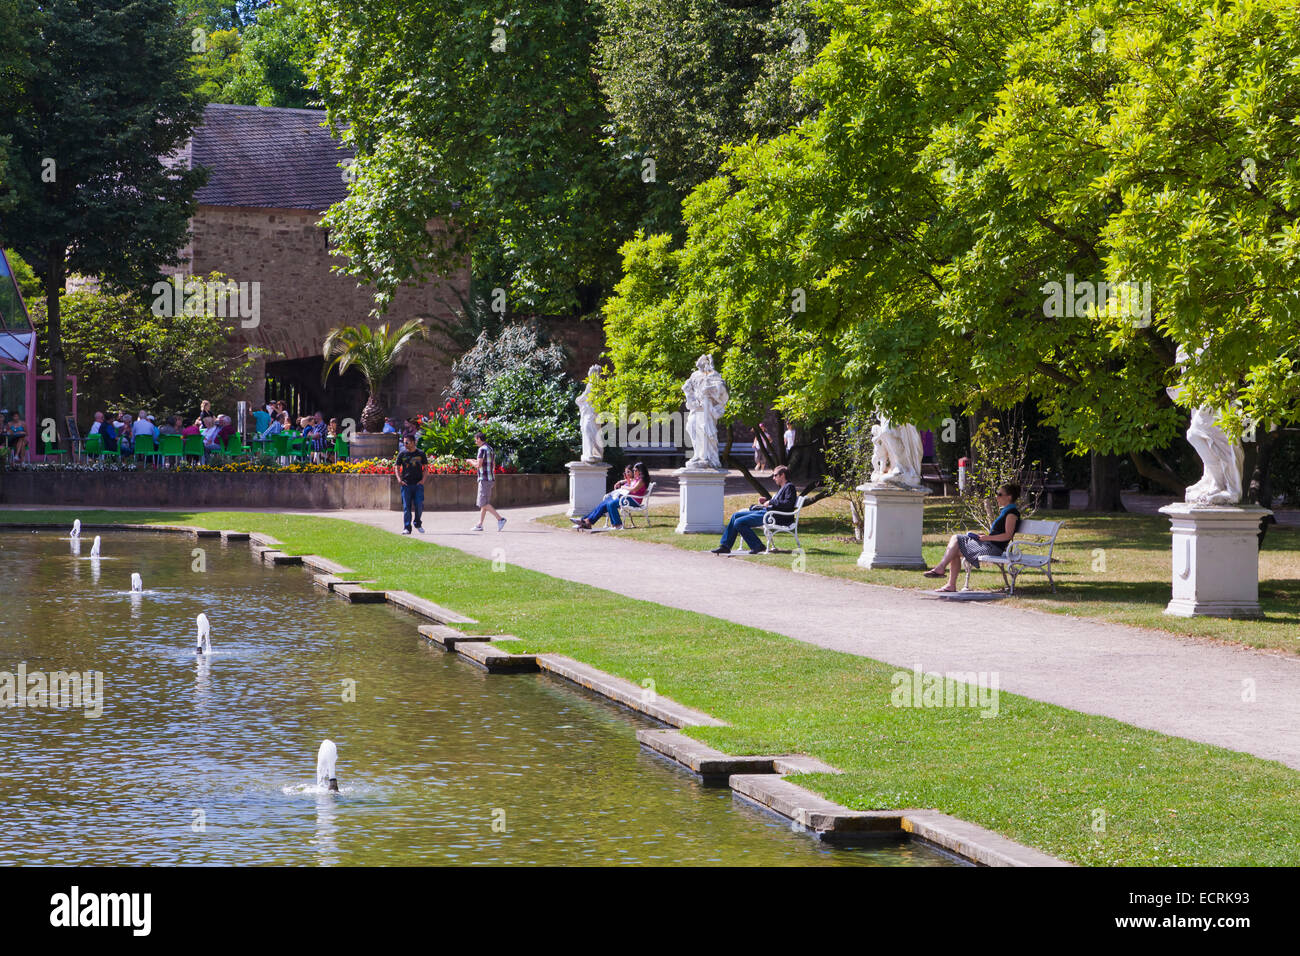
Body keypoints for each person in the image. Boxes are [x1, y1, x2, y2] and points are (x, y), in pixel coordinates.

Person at [924, 483, 1022, 592]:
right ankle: (949, 584)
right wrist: (985, 537)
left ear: (1009, 497)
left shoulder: (1011, 514)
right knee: (955, 546)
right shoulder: (1006, 511)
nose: (996, 497)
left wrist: (987, 538)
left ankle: (941, 570)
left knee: (956, 539)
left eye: (999, 494)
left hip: (994, 549)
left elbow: (1007, 535)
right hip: (989, 544)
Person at [711, 465, 797, 555]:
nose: (773, 478)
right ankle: (725, 546)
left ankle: (757, 546)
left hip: (775, 517)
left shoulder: (789, 487)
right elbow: (779, 502)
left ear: (782, 475)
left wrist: (771, 501)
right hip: (769, 513)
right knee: (735, 516)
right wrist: (766, 501)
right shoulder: (783, 488)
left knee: (739, 522)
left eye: (775, 475)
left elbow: (788, 504)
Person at [572, 462, 649, 531]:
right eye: (634, 470)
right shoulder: (636, 479)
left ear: (640, 471)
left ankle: (617, 525)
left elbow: (634, 490)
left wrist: (623, 487)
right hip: (628, 498)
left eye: (636, 470)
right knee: (604, 503)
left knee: (610, 504)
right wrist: (621, 482)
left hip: (633, 500)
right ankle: (585, 521)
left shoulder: (642, 480)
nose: (634, 472)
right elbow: (629, 481)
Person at [469, 431, 506, 532]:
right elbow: (491, 464)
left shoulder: (481, 449)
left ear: (479, 439)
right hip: (490, 479)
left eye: (476, 440)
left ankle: (500, 519)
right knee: (485, 503)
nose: (475, 442)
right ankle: (480, 524)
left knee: (482, 503)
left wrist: (471, 462)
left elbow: (478, 465)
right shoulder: (490, 448)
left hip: (484, 479)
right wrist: (475, 461)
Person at [394, 434, 428, 534]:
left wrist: (423, 480)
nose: (405, 444)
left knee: (419, 505)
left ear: (413, 442)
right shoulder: (402, 454)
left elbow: (425, 468)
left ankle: (417, 523)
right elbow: (396, 466)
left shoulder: (421, 453)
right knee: (406, 507)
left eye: (407, 442)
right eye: (404, 442)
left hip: (418, 484)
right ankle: (407, 527)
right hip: (406, 484)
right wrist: (399, 479)